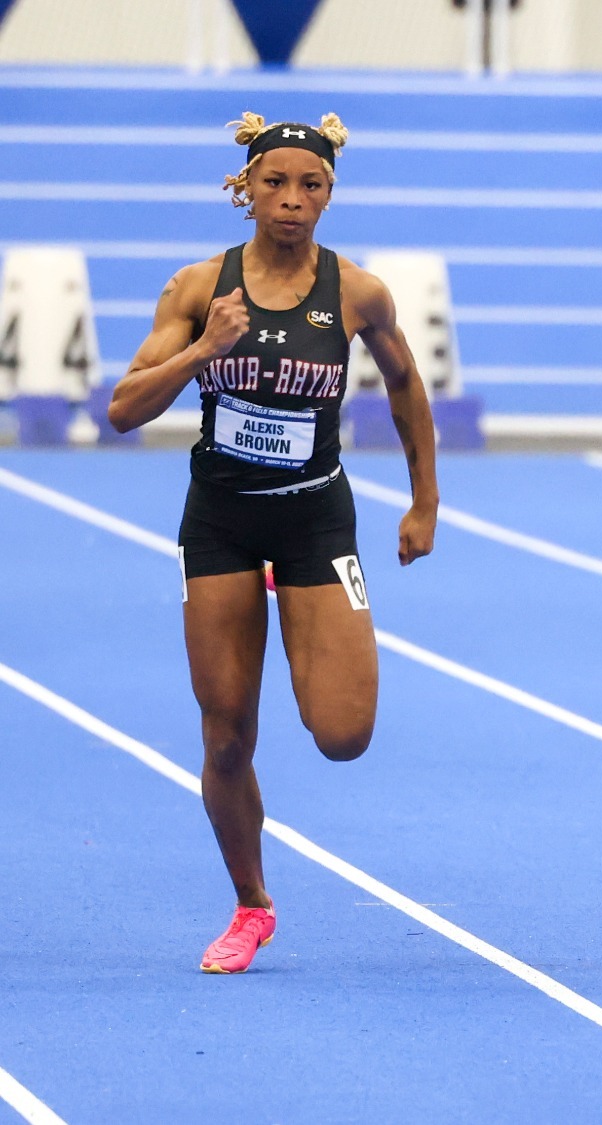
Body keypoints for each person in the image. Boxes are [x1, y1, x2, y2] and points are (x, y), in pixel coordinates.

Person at [107, 112, 439, 973]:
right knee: (225, 736)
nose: (291, 201)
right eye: (275, 184)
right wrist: (202, 352)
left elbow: (407, 389)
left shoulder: (357, 293)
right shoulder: (197, 288)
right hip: (220, 518)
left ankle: (305, 615)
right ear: (244, 189)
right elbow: (122, 409)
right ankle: (252, 904)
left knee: (343, 733)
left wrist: (423, 503)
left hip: (314, 517)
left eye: (311, 186)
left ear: (331, 193)